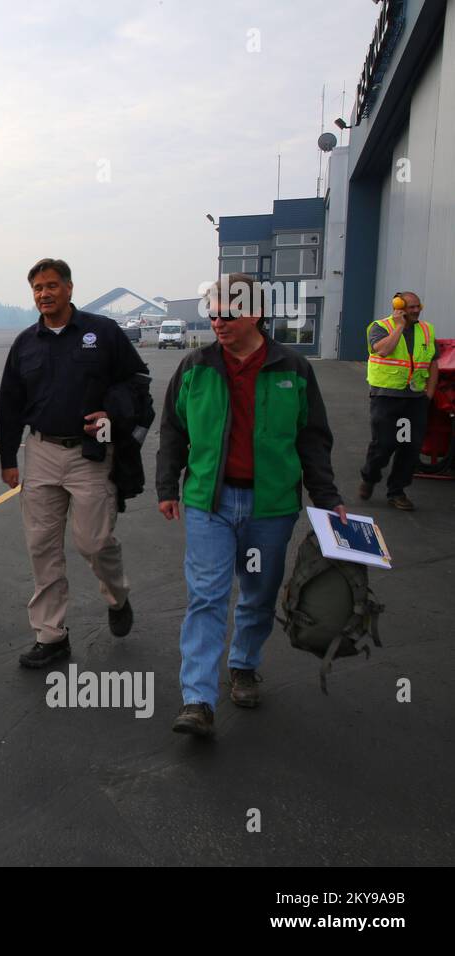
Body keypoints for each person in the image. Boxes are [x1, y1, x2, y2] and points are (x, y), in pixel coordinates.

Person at [156, 274, 348, 738]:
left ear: (257, 313)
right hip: (209, 502)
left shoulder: (293, 369)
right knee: (206, 596)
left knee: (259, 595)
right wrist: (167, 485)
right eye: (213, 312)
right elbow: (173, 431)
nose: (218, 321)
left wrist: (328, 501)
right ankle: (198, 699)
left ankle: (243, 665)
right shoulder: (195, 366)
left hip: (272, 506)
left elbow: (313, 439)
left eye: (229, 312)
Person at [0, 258, 147, 668]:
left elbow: (138, 382)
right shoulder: (26, 343)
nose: (44, 294)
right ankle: (51, 635)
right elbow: (10, 402)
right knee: (41, 547)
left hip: (90, 454)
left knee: (93, 543)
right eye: (37, 288)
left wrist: (114, 417)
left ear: (69, 288)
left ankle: (117, 596)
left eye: (51, 286)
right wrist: (8, 457)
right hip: (41, 451)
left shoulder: (104, 333)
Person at [359, 291, 437, 511]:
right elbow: (383, 350)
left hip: (414, 401)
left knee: (409, 447)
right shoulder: (380, 327)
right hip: (386, 397)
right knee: (384, 444)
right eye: (410, 307)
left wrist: (428, 395)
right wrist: (399, 326)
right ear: (399, 307)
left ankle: (397, 491)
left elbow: (432, 363)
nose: (415, 310)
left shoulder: (426, 330)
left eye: (417, 306)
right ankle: (370, 477)